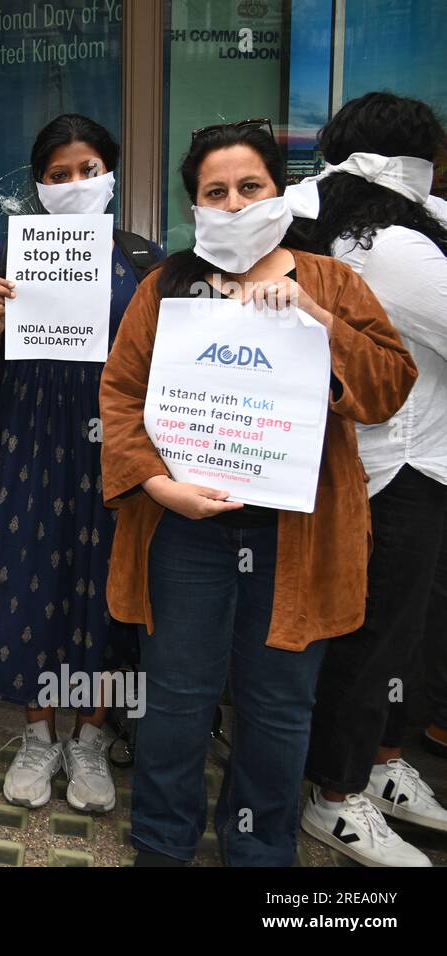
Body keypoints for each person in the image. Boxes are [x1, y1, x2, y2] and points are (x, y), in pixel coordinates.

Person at [99, 119, 417, 866]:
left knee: (278, 707)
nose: (235, 204)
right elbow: (119, 399)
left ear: (280, 190)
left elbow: (388, 385)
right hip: (184, 534)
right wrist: (157, 485)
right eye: (217, 192)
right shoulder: (164, 288)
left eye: (252, 187)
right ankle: (163, 843)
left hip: (295, 539)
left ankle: (261, 851)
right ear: (195, 204)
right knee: (176, 699)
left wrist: (312, 317)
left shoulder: (332, 280)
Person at [0, 114, 162, 814]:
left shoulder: (143, 261)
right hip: (26, 446)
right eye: (57, 175)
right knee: (31, 586)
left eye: (87, 170)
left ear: (110, 174)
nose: (74, 184)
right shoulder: (4, 256)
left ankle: (91, 739)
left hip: (112, 455)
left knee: (103, 596)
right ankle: (40, 734)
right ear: (37, 184)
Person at [287, 93, 447, 866]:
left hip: (354, 465)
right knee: (380, 640)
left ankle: (378, 767)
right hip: (403, 465)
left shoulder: (317, 221)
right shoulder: (401, 247)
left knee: (388, 639)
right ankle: (338, 797)